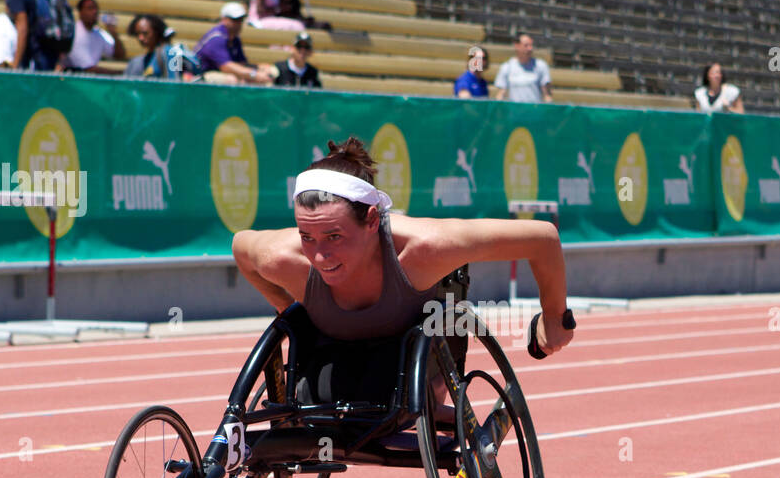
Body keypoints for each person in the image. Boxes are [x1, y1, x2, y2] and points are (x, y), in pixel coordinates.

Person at [230, 138, 573, 405]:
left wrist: (554, 317)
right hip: (333, 357)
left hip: (410, 361)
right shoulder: (283, 259)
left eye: (334, 237)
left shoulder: (422, 249)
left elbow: (542, 238)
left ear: (372, 221)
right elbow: (240, 247)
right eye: (307, 237)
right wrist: (287, 307)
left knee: (404, 382)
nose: (320, 255)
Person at [194, 2, 272, 85]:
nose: (238, 24)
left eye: (240, 20)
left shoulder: (235, 39)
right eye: (234, 20)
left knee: (266, 72)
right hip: (201, 75)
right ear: (224, 20)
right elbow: (226, 67)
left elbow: (241, 64)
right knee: (232, 79)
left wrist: (259, 68)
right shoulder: (217, 38)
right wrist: (253, 74)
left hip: (219, 72)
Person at [64, 0, 126, 72]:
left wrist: (113, 33)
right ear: (80, 12)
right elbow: (88, 69)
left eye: (96, 9)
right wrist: (120, 73)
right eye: (90, 8)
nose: (95, 12)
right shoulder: (74, 33)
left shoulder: (99, 34)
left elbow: (119, 55)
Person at [494, 34, 552, 102]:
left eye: (531, 45)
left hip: (534, 110)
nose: (530, 48)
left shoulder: (541, 66)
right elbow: (501, 93)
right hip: (514, 110)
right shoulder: (507, 67)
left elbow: (547, 94)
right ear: (517, 46)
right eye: (526, 45)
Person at [123, 13, 174, 79]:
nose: (140, 38)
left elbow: (174, 83)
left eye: (145, 33)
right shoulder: (137, 61)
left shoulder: (168, 53)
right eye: (137, 34)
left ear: (157, 32)